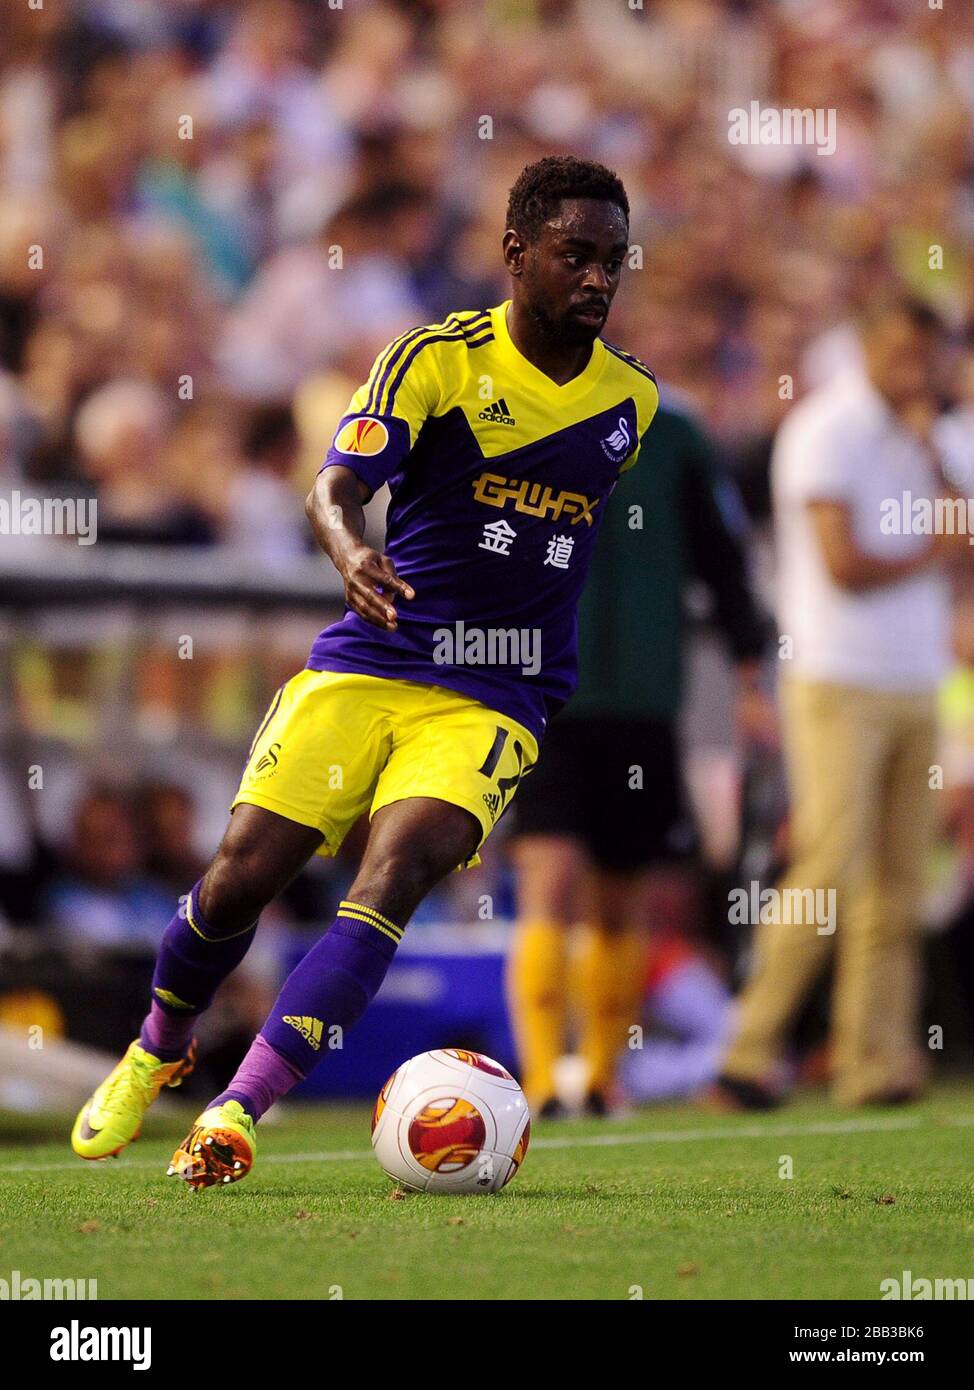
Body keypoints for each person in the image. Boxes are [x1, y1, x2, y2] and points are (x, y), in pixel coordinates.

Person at [70, 156, 660, 1188]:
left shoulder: (631, 405)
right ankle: (160, 1040)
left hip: (496, 694)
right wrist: (349, 550)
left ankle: (236, 1109)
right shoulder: (433, 359)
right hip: (373, 661)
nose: (598, 278)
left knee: (393, 877)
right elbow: (336, 480)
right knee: (237, 879)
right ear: (516, 254)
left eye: (612, 259)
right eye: (576, 255)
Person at [715, 298, 964, 1109]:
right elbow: (844, 563)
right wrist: (934, 545)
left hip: (913, 675)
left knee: (897, 882)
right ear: (868, 349)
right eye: (903, 354)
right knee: (827, 862)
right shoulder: (827, 429)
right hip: (835, 676)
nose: (916, 372)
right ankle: (748, 1053)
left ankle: (874, 1061)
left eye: (929, 356)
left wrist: (931, 457)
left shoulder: (939, 438)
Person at [509, 392, 770, 1115]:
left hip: (643, 700)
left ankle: (597, 1076)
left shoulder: (679, 434)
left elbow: (722, 554)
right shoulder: (518, 416)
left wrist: (751, 660)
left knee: (621, 896)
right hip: (543, 696)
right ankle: (537, 1078)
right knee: (548, 877)